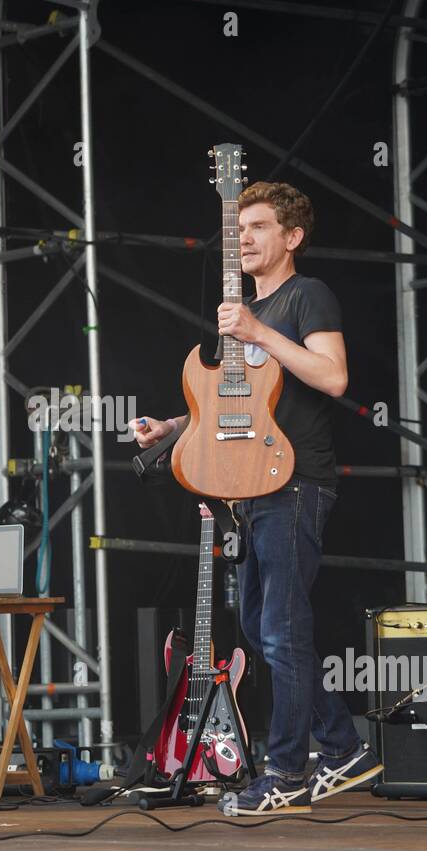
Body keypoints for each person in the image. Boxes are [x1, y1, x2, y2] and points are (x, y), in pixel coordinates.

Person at [129, 181, 383, 815]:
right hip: (250, 485)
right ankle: (344, 745)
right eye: (238, 228)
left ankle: (290, 771)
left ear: (292, 238)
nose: (242, 238)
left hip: (296, 483)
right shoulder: (252, 312)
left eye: (259, 227)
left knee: (280, 627)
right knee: (265, 628)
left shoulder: (306, 295)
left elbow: (333, 375)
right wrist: (173, 428)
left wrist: (256, 333)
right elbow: (233, 403)